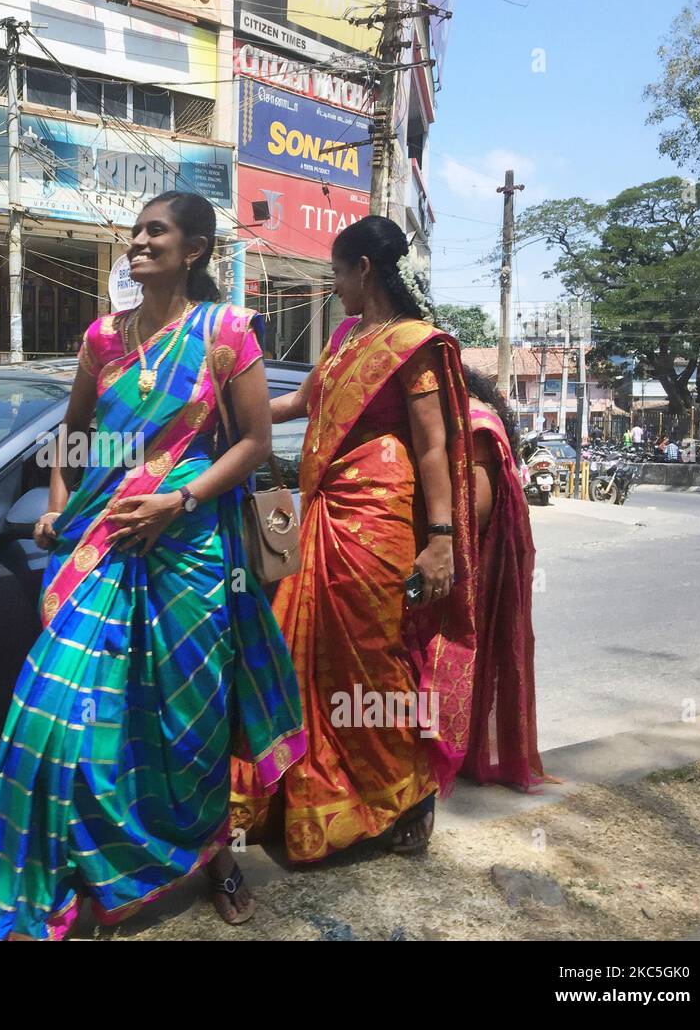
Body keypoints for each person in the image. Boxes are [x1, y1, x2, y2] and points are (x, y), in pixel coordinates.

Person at [0, 192, 306, 941]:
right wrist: (58, 502)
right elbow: (76, 436)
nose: (138, 242)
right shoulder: (102, 338)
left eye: (156, 232)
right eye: (136, 232)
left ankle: (214, 855)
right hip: (101, 547)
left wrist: (177, 503)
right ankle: (82, 868)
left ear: (193, 250)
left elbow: (252, 441)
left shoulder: (226, 334)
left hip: (191, 551)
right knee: (53, 718)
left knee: (189, 722)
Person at [230, 215, 478, 861]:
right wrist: (230, 404)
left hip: (377, 516)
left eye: (337, 273)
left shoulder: (416, 343)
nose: (334, 286)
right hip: (319, 512)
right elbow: (302, 403)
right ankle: (311, 799)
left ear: (364, 270)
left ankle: (407, 794)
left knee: (373, 656)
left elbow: (432, 447)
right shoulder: (343, 337)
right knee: (303, 655)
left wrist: (442, 537)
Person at [459, 367, 544, 790]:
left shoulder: (475, 422)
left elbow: (477, 509)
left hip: (477, 558)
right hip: (465, 555)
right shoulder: (464, 415)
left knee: (471, 655)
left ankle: (464, 752)